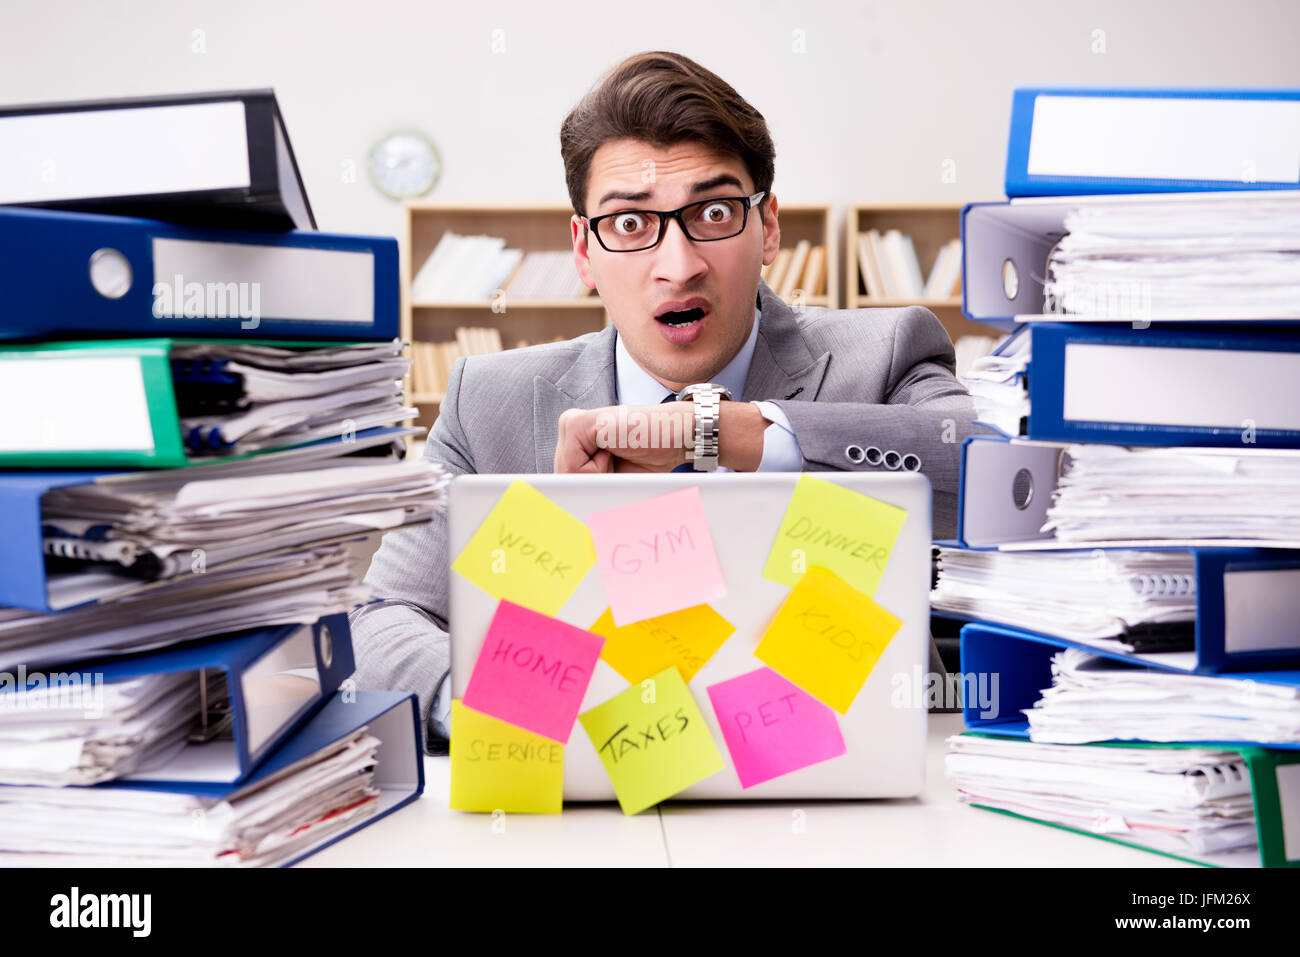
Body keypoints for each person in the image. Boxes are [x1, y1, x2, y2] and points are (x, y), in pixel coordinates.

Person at [350, 50, 984, 751]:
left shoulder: (884, 353)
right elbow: (383, 618)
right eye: (630, 223)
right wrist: (521, 703)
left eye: (713, 212)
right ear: (584, 252)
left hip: (847, 775)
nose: (679, 267)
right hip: (582, 785)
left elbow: (987, 476)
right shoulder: (488, 404)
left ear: (769, 227)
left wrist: (709, 432)